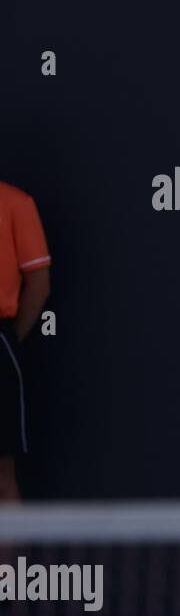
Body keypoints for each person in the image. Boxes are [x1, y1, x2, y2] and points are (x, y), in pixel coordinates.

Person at [0, 180, 52, 502]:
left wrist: (9, 341)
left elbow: (38, 284)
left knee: (1, 475)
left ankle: (7, 557)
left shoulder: (15, 202)